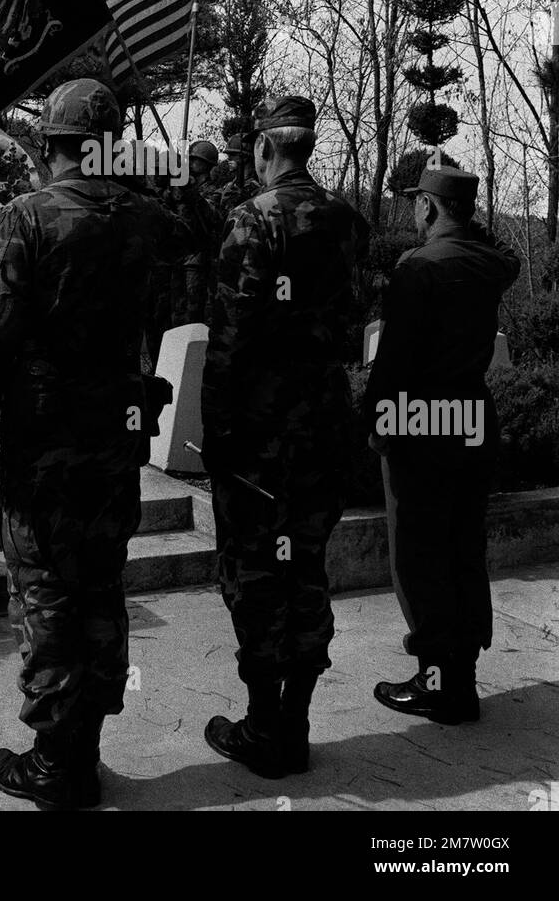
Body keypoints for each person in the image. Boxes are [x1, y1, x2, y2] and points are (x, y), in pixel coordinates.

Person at [0, 78, 211, 810]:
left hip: (46, 438)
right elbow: (188, 270)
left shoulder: (24, 218)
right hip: (118, 433)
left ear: (52, 145)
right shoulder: (147, 221)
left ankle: (54, 762)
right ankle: (86, 747)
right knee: (101, 582)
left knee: (44, 586)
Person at [200, 96, 369, 777]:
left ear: (267, 152)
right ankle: (294, 722)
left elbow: (229, 343)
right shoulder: (347, 223)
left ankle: (265, 725)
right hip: (325, 426)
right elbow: (352, 322)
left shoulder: (252, 222)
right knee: (305, 569)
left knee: (253, 573)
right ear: (309, 149)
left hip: (261, 436)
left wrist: (216, 434)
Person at [364, 165, 520, 724]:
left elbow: (395, 357)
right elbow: (503, 251)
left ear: (428, 208)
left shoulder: (419, 267)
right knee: (462, 545)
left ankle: (439, 685)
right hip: (474, 417)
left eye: (416, 203)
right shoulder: (492, 265)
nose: (412, 212)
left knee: (420, 549)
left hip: (422, 420)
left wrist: (379, 420)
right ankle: (463, 678)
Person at [171, 139, 222, 326]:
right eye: (190, 159)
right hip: (180, 256)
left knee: (195, 313)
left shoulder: (215, 191)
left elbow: (213, 216)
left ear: (207, 165)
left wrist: (192, 194)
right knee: (177, 312)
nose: (191, 163)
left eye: (195, 160)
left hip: (200, 259)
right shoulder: (185, 185)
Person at [218, 133, 259, 217]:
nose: (228, 158)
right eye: (228, 155)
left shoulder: (257, 189)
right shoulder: (229, 186)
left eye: (233, 155)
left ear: (245, 157)